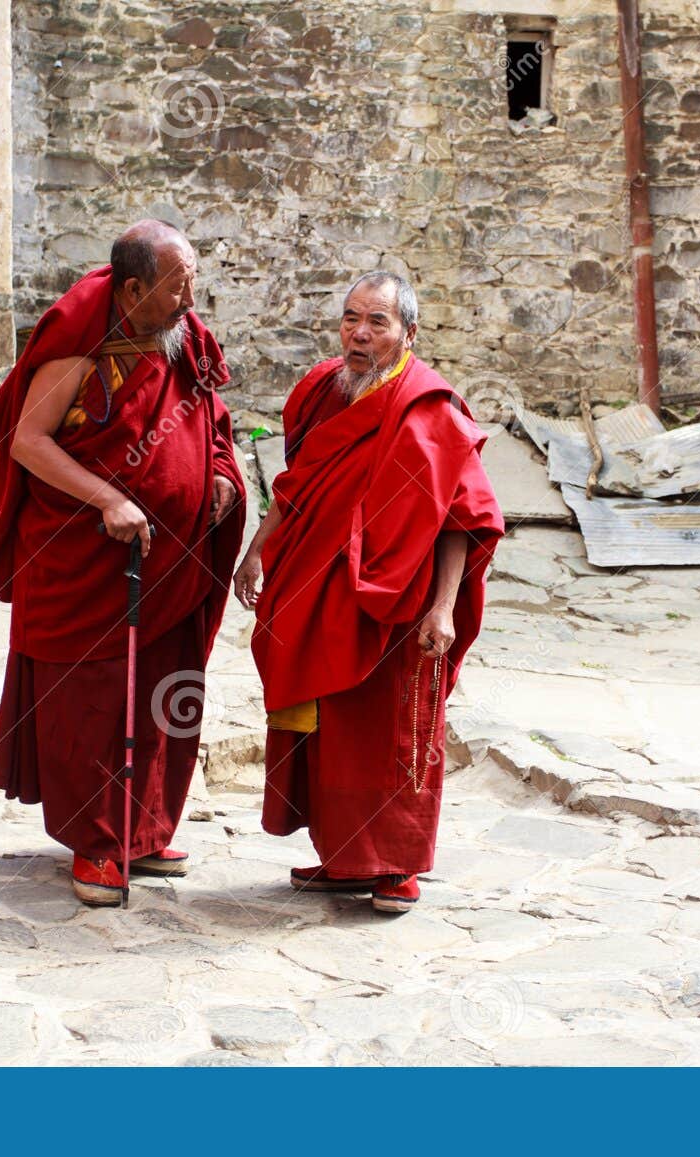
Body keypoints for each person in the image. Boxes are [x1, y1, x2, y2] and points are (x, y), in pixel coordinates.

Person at [0, 220, 245, 906]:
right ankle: (97, 841)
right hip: (88, 561)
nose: (191, 300)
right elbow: (29, 442)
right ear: (132, 289)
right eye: (176, 287)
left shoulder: (178, 332)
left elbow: (210, 414)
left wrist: (217, 469)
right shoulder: (80, 339)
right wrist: (107, 499)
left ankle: (145, 829)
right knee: (94, 704)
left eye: (193, 282)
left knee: (162, 693)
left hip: (171, 562)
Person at [234, 271, 504, 913]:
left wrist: (443, 607)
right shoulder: (323, 393)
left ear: (408, 333)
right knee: (334, 732)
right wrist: (256, 550)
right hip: (321, 588)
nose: (359, 334)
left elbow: (461, 517)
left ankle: (397, 865)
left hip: (402, 602)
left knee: (393, 733)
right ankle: (346, 857)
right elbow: (298, 482)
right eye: (351, 319)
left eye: (377, 323)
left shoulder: (430, 407)